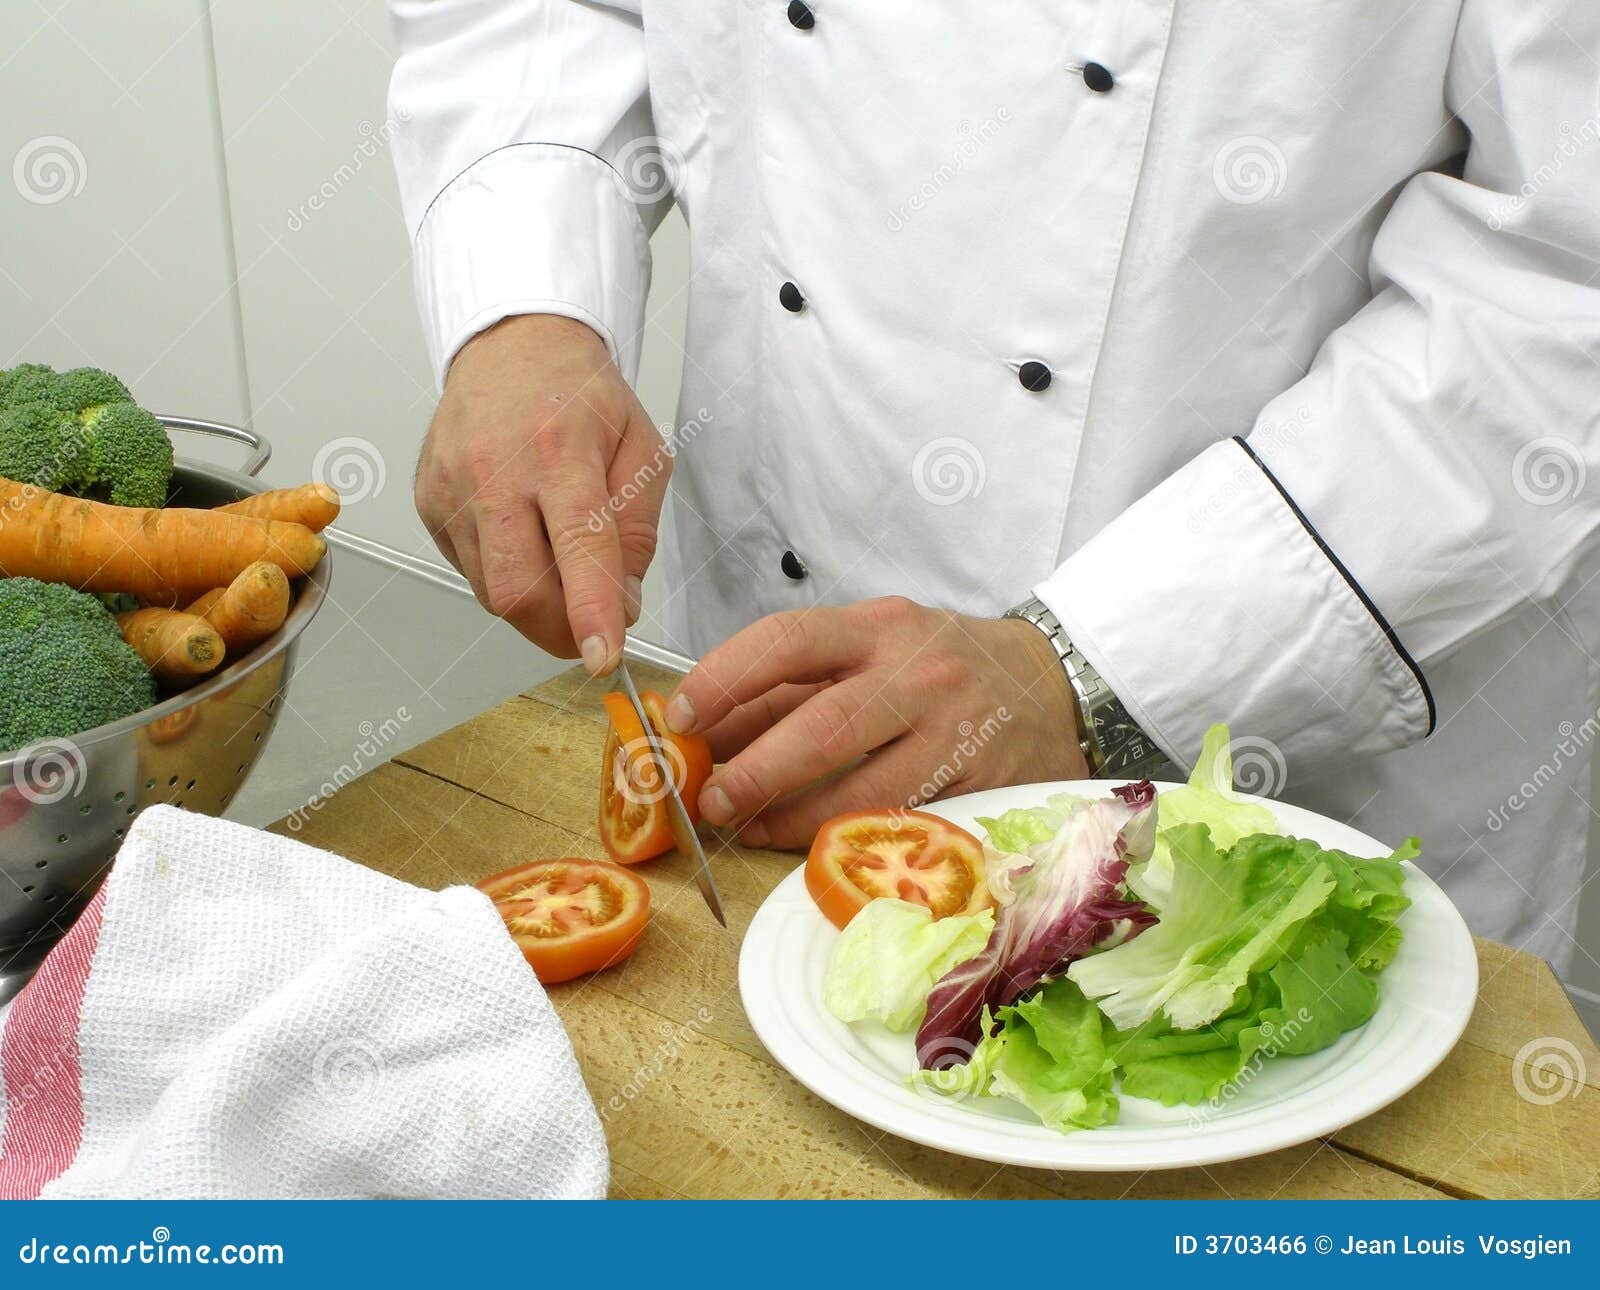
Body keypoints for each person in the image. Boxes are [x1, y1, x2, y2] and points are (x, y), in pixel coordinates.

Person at [388, 2, 1600, 971]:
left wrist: (1077, 673)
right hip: (779, 676)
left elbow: (1557, 289)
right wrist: (525, 299)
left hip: (1291, 720)